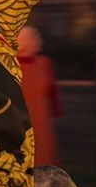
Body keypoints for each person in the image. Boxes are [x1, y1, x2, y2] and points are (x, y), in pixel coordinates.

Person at [17, 26, 62, 166]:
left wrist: (55, 110)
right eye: (36, 38)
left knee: (43, 149)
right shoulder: (9, 63)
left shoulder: (44, 63)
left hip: (40, 116)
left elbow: (51, 89)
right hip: (18, 117)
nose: (40, 41)